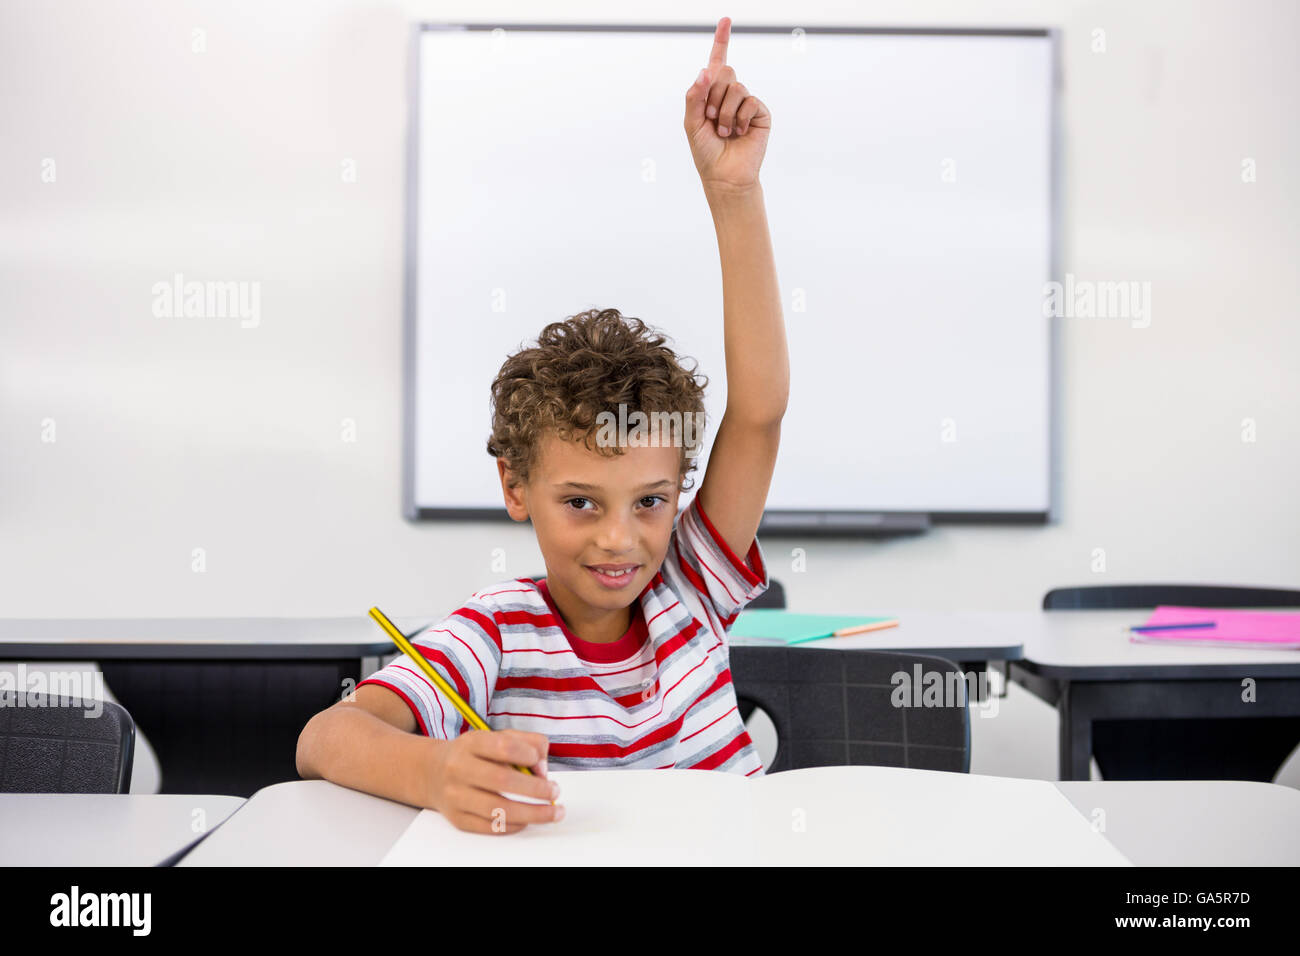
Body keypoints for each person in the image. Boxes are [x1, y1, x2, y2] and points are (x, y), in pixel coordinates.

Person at [296, 16, 789, 835]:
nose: (621, 540)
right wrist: (436, 768)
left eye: (651, 501)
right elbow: (325, 740)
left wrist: (733, 192)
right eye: (582, 502)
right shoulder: (495, 631)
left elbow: (761, 412)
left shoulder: (692, 588)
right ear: (515, 487)